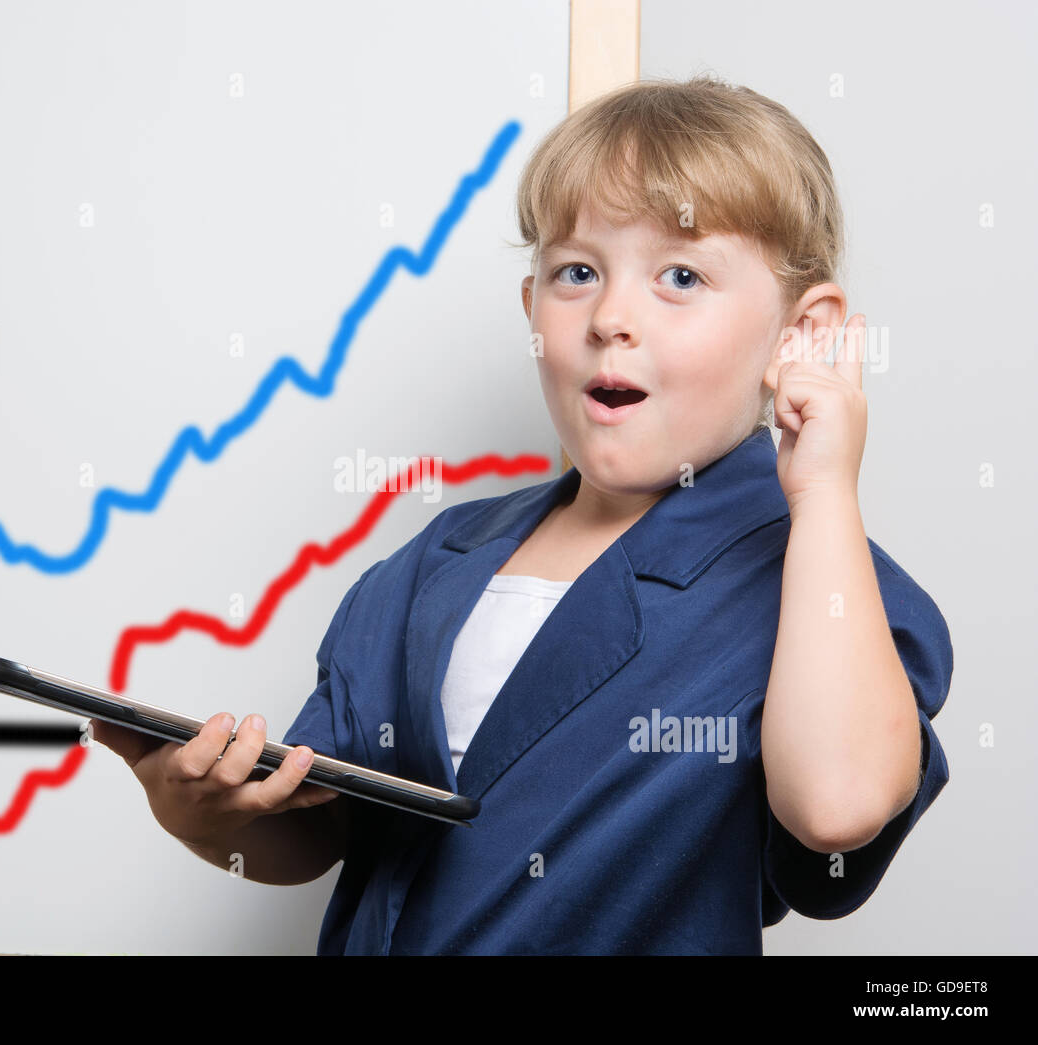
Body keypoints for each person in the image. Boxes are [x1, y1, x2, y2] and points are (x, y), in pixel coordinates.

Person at [90, 74, 952, 955]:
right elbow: (321, 825)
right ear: (533, 310)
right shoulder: (435, 562)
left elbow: (835, 804)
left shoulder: (827, 584)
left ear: (800, 338)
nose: (611, 317)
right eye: (577, 272)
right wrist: (201, 813)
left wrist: (824, 496)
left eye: (681, 275)